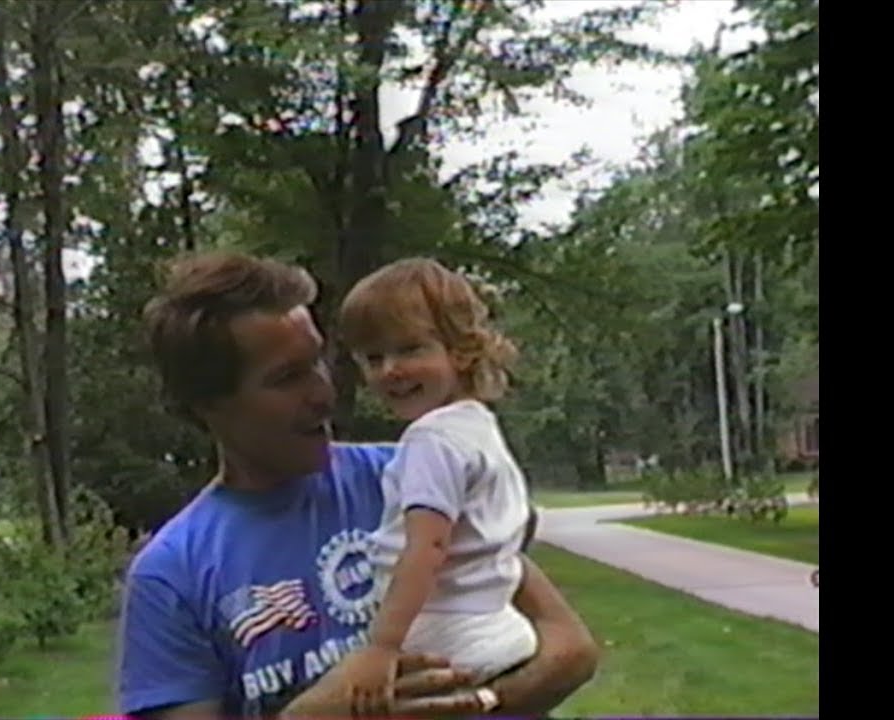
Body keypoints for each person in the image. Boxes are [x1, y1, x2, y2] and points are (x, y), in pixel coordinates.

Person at [116, 252, 599, 719]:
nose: (324, 393)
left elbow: (570, 649)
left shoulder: (407, 474)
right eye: (287, 378)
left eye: (318, 362)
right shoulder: (172, 576)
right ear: (208, 404)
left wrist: (480, 702)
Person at [334, 257, 538, 715]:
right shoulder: (477, 426)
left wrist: (382, 649)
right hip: (488, 618)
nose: (391, 370)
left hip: (441, 629)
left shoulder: (431, 441)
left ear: (461, 350)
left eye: (409, 349)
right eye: (374, 357)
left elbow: (426, 548)